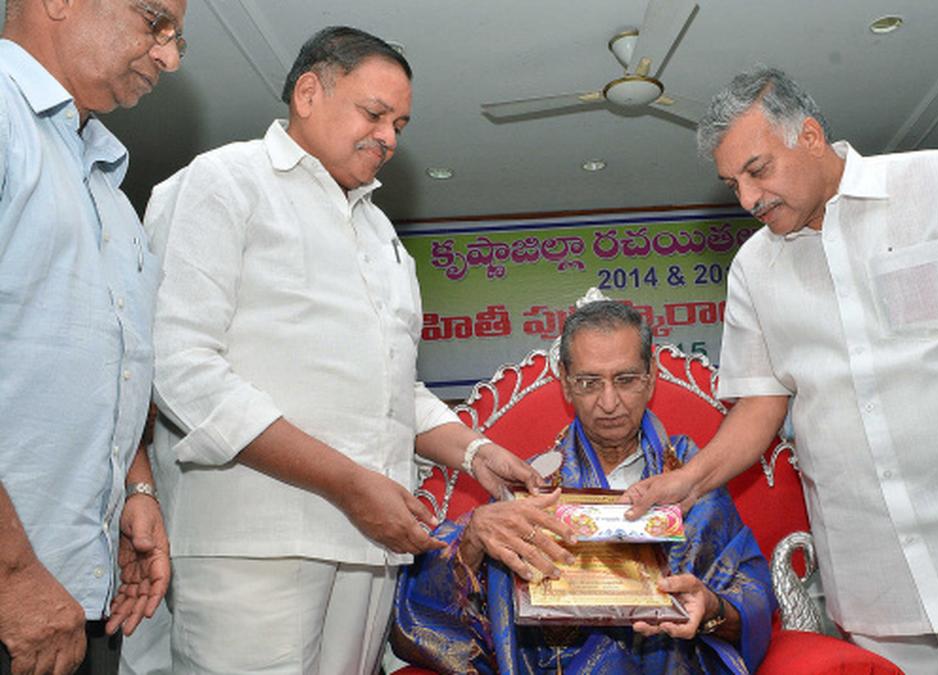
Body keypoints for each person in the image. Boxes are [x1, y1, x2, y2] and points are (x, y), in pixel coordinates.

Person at [622, 66, 938, 674]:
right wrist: (686, 482)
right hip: (874, 581)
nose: (746, 199)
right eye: (732, 182)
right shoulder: (753, 269)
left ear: (811, 136)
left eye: (758, 170)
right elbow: (760, 408)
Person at [145, 26, 540, 674]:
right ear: (308, 92)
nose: (388, 137)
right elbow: (180, 367)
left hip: (369, 549)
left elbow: (393, 392)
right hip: (255, 543)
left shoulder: (381, 233)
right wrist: (350, 482)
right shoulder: (224, 182)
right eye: (375, 113)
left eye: (400, 124)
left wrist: (477, 453)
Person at [392, 299, 774, 674]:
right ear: (566, 384)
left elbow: (752, 596)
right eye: (589, 383)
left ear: (651, 376)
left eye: (625, 380)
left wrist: (711, 609)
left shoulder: (692, 474)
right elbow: (424, 620)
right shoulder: (535, 487)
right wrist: (474, 537)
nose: (609, 403)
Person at [0, 0, 186, 673]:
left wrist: (135, 488)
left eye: (177, 38)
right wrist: (13, 573)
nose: (167, 56)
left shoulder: (108, 183)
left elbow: (109, 368)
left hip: (81, 590)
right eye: (155, 21)